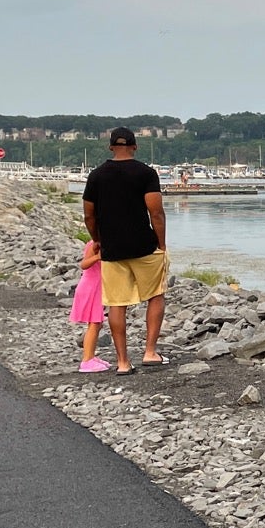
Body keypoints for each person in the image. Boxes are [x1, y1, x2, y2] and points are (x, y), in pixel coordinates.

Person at [82, 127, 168, 373]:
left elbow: (89, 215)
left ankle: (122, 362)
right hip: (145, 246)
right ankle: (150, 352)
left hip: (112, 249)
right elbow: (156, 212)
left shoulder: (97, 175)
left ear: (110, 147)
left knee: (116, 304)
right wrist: (161, 243)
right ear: (134, 146)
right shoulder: (146, 173)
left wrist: (97, 239)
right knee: (155, 295)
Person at [70, 238, 109, 373]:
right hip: (91, 287)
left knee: (97, 324)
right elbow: (84, 264)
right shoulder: (95, 244)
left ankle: (91, 356)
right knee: (94, 323)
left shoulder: (102, 243)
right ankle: (87, 360)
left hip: (96, 286)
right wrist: (98, 257)